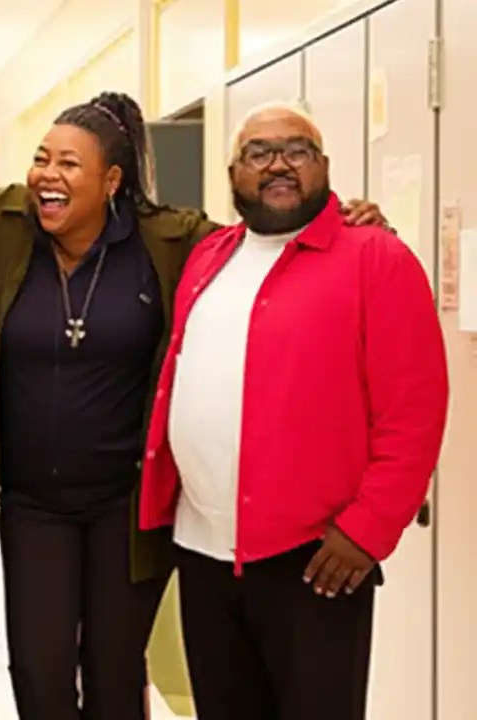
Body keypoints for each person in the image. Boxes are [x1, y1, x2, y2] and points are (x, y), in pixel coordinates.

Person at [0, 90, 391, 718]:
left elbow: (272, 242)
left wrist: (351, 229)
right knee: (38, 671)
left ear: (111, 179)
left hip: (127, 507)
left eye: (69, 164)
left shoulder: (174, 241)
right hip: (32, 503)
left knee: (114, 672)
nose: (48, 176)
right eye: (42, 159)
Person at [139, 102, 447, 720]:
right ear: (233, 173)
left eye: (297, 150)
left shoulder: (376, 259)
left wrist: (368, 530)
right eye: (259, 152)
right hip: (203, 552)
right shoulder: (210, 256)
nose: (279, 164)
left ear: (324, 165)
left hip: (316, 559)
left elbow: (414, 410)